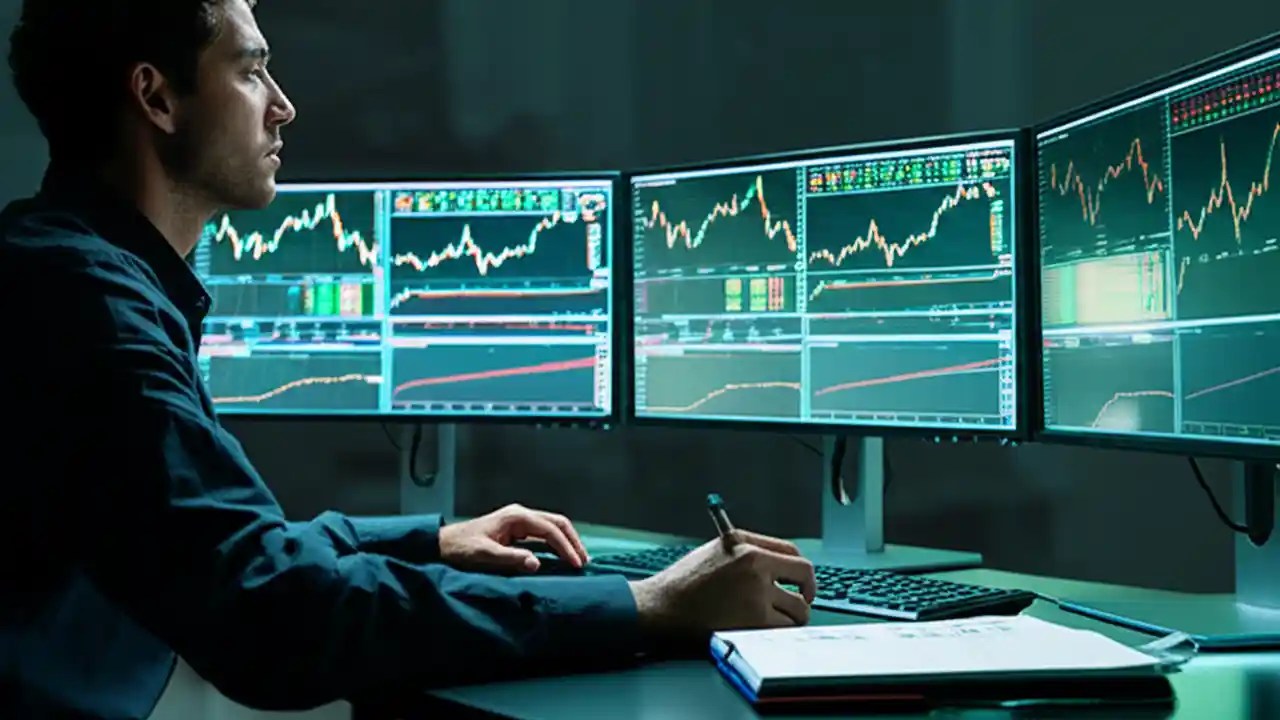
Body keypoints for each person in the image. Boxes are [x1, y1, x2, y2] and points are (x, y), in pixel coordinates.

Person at [0, 1, 817, 717]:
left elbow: (216, 544)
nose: (284, 107)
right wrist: (644, 605)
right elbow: (270, 614)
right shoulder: (89, 307)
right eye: (251, 74)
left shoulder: (65, 272)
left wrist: (430, 541)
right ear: (156, 97)